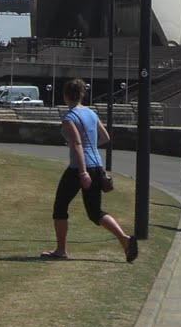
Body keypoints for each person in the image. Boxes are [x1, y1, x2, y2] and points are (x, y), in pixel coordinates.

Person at [43, 78, 136, 262]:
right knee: (95, 212)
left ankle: (61, 250)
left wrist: (82, 171)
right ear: (81, 95)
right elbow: (105, 137)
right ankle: (124, 239)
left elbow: (77, 143)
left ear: (65, 96)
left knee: (60, 206)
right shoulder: (91, 113)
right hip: (97, 166)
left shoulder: (69, 118)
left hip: (79, 167)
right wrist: (89, 148)